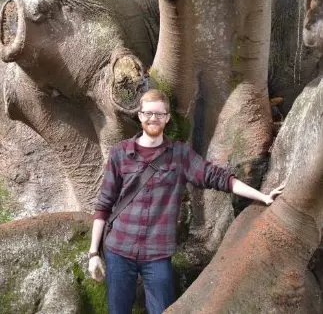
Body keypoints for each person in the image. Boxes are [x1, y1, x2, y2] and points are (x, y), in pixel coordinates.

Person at [88, 89, 284, 314]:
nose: (154, 118)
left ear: (167, 118)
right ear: (140, 115)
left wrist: (263, 196)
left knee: (163, 310)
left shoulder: (180, 155)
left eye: (159, 114)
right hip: (119, 250)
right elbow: (104, 204)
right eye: (148, 113)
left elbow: (217, 177)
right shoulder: (120, 153)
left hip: (157, 253)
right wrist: (94, 253)